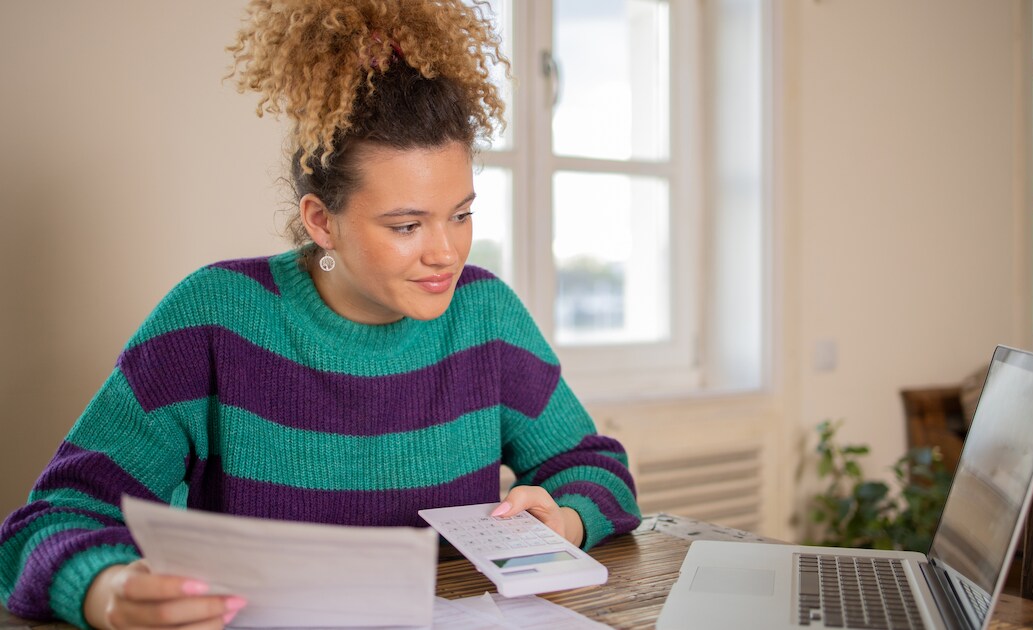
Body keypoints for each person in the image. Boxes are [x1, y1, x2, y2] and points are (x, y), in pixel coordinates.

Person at [0, 2, 641, 628]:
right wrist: (108, 590)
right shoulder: (214, 318)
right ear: (320, 221)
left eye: (461, 214)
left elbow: (595, 469)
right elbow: (50, 520)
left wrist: (565, 519)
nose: (446, 252)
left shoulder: (485, 314)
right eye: (407, 224)